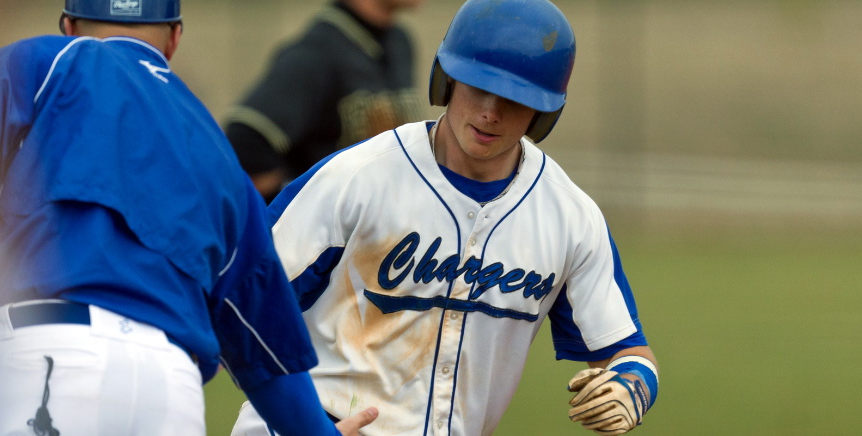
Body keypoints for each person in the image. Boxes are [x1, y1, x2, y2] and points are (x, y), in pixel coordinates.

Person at [0, 0, 376, 435]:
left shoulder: (40, 62)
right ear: (174, 38)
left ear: (68, 25)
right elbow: (264, 341)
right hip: (170, 384)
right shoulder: (217, 150)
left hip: (49, 354)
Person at [231, 0, 659, 435]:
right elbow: (242, 303)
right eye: (479, 87)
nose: (491, 111)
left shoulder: (569, 217)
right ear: (447, 80)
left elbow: (628, 353)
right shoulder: (354, 178)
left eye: (514, 99)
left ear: (543, 111)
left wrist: (633, 385)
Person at [224, 0, 426, 202]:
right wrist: (301, 207)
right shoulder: (317, 52)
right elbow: (245, 138)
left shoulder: (399, 41)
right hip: (337, 228)